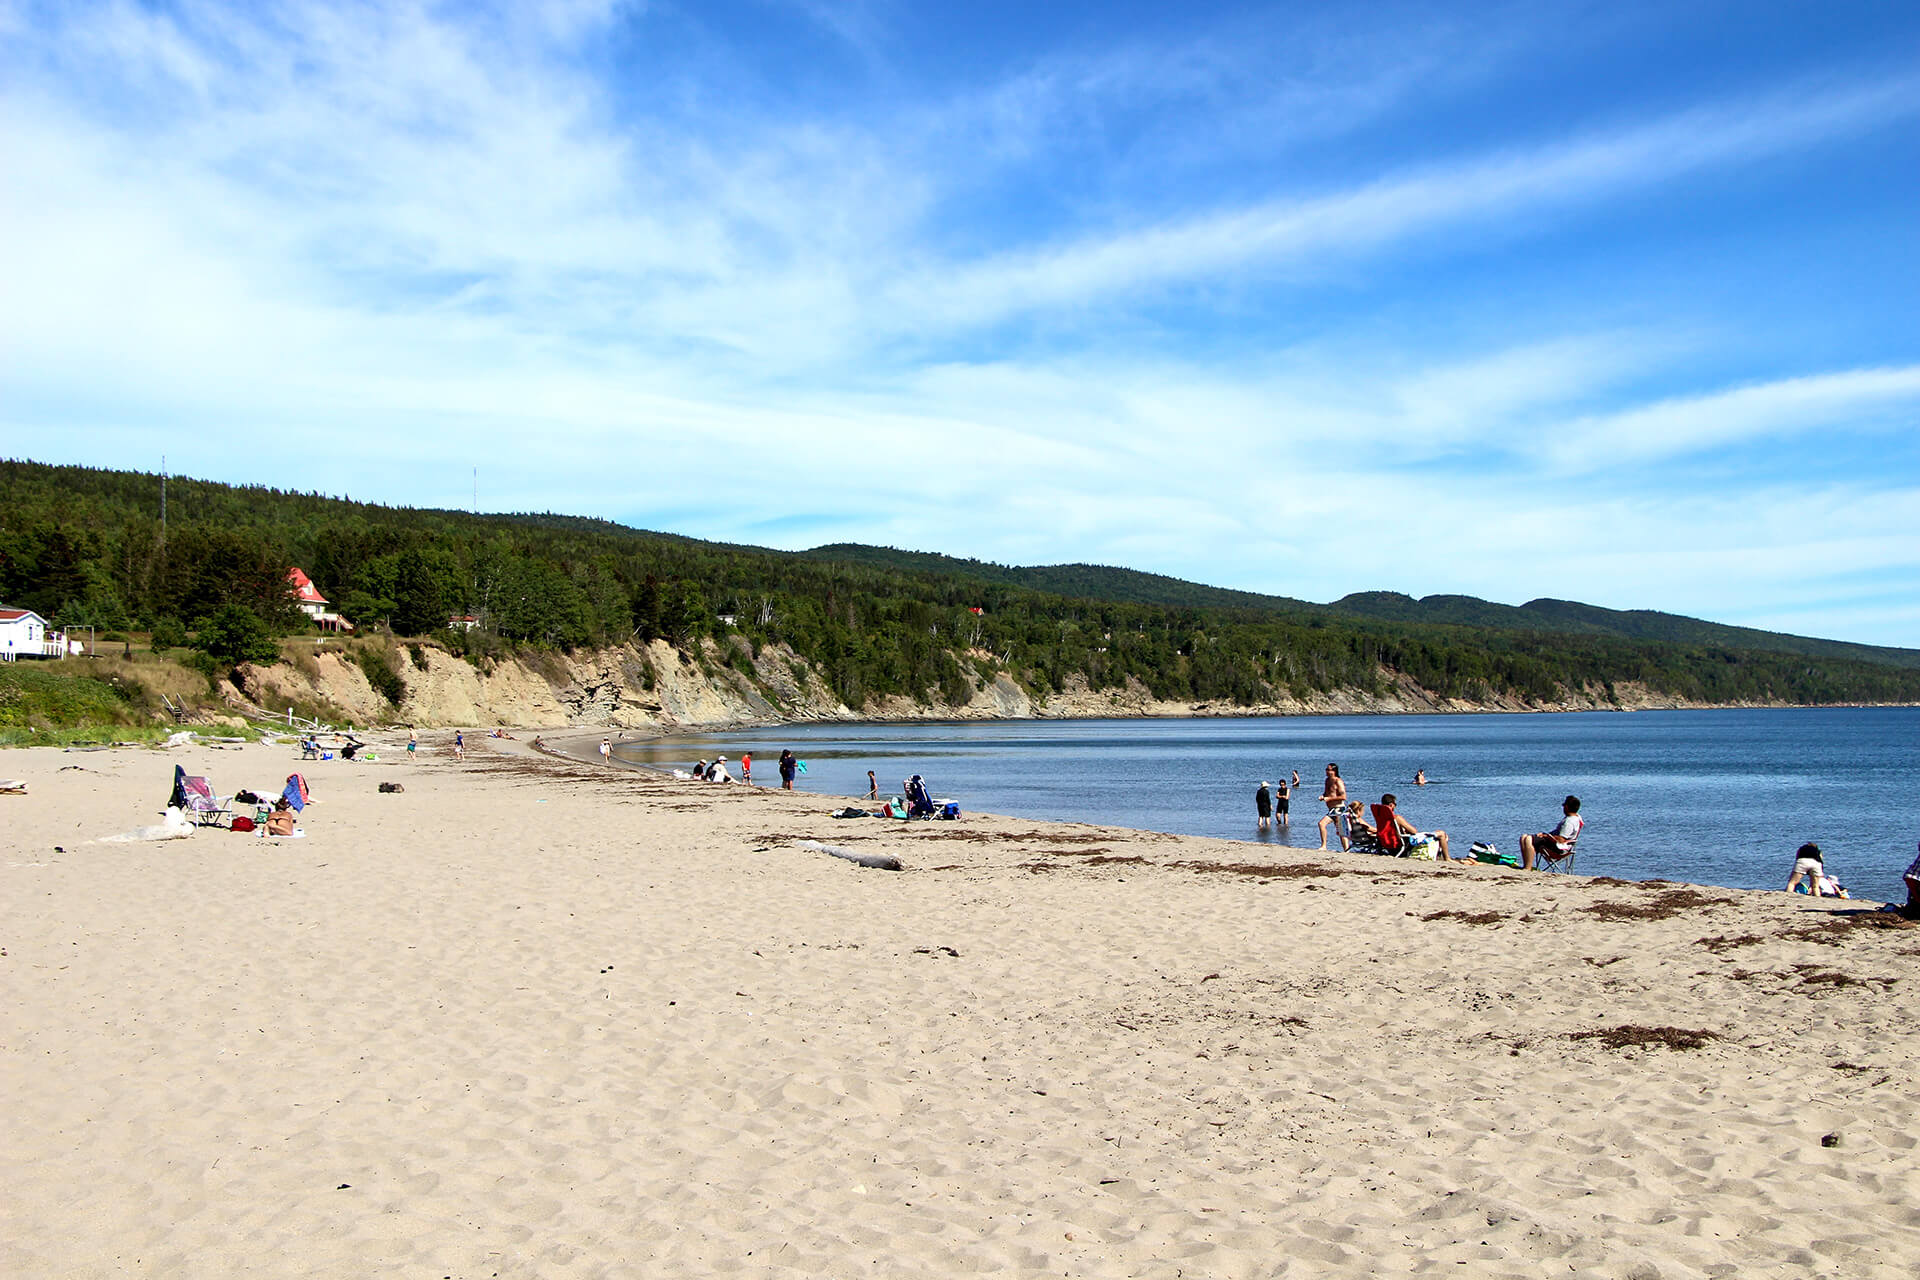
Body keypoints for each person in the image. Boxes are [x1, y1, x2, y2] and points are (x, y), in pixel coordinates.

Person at [1377, 793, 1458, 862]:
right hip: (1401, 844)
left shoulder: (1381, 817)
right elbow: (1414, 831)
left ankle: (1440, 856)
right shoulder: (1397, 818)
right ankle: (1447, 858)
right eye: (1395, 804)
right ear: (1391, 805)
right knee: (1442, 834)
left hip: (1388, 845)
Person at [1519, 796, 1583, 870]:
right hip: (1558, 845)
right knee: (1523, 837)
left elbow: (1561, 839)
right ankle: (1526, 866)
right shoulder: (1576, 817)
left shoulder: (1569, 822)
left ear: (1566, 807)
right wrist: (1544, 835)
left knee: (1528, 839)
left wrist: (1546, 836)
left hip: (1559, 848)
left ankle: (1528, 867)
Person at [1320, 763, 1349, 850]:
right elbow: (1327, 793)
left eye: (1329, 770)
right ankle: (1324, 846)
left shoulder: (1338, 781)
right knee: (1322, 824)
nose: (1327, 771)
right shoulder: (1327, 781)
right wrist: (1323, 796)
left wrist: (1329, 799)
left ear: (1334, 771)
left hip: (1339, 808)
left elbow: (1343, 797)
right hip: (1332, 809)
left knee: (1341, 830)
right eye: (1326, 769)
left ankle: (1346, 849)